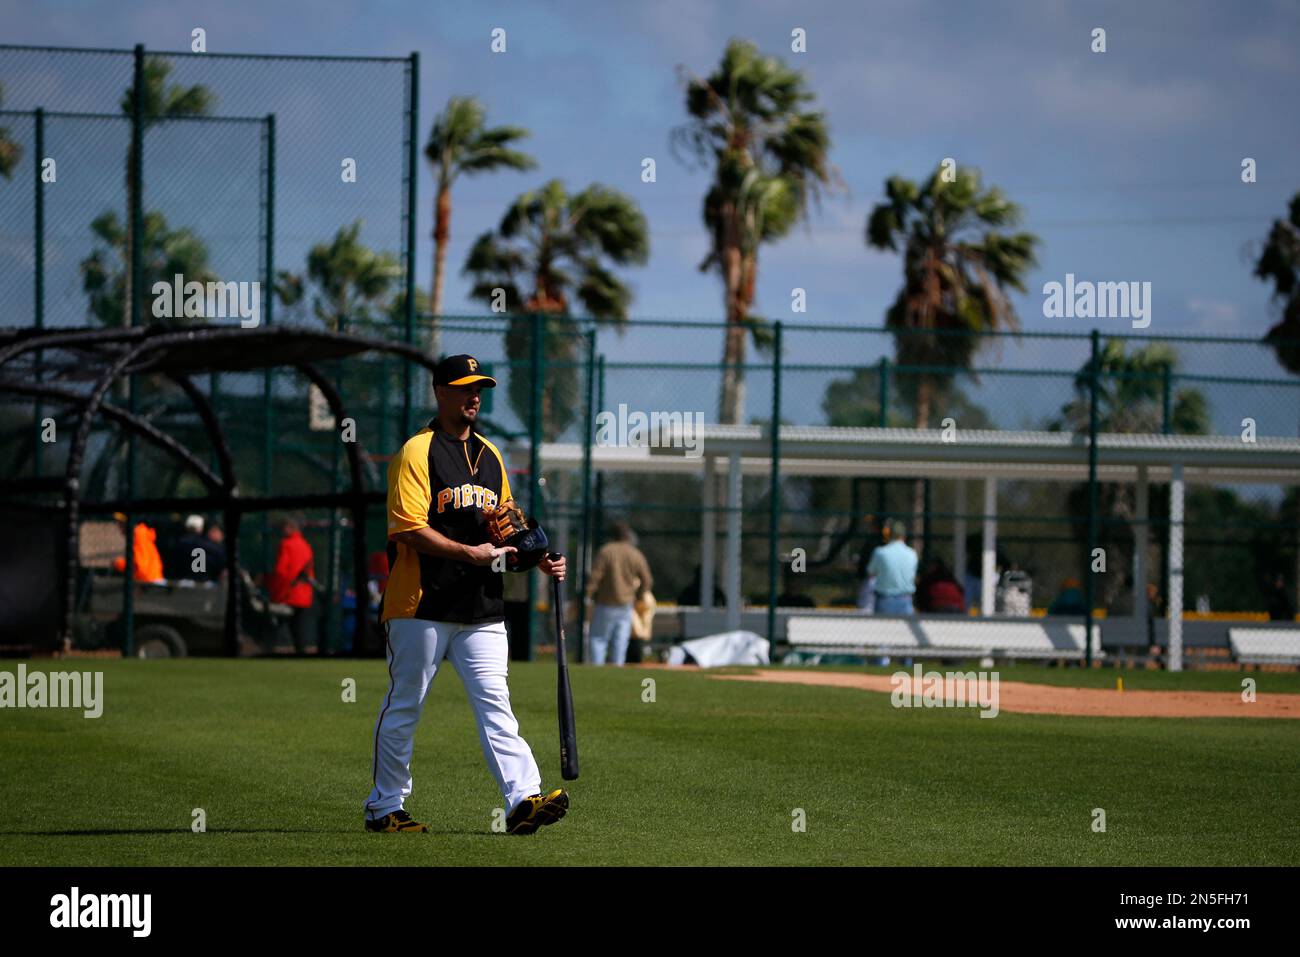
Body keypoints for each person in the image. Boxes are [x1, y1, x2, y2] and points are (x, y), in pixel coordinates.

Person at [364, 353, 569, 835]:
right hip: (421, 604)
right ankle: (384, 808)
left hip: (482, 606)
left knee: (496, 703)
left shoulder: (491, 455)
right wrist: (467, 552)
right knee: (405, 705)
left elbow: (508, 526)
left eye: (479, 388)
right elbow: (408, 528)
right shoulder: (417, 451)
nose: (474, 396)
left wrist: (538, 556)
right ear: (440, 392)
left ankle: (523, 800)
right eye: (464, 388)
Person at [585, 521, 653, 666]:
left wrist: (588, 595)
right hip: (626, 604)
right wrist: (639, 596)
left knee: (599, 639)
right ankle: (617, 668)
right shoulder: (635, 553)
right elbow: (647, 579)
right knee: (620, 641)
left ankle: (597, 669)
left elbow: (595, 576)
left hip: (606, 602)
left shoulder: (606, 551)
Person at [267, 515, 317, 654]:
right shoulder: (306, 545)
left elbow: (281, 571)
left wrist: (274, 591)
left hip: (288, 593)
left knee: (278, 625)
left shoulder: (286, 544)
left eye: (286, 526)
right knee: (299, 630)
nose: (283, 529)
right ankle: (301, 653)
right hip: (304, 593)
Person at [865, 520, 918, 615]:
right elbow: (913, 576)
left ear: (888, 535)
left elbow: (870, 572)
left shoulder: (880, 552)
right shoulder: (912, 554)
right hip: (906, 601)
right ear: (904, 536)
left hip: (884, 600)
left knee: (883, 629)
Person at [110, 512, 165, 583]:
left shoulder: (138, 536)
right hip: (149, 581)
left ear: (128, 524)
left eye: (121, 523)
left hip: (149, 583)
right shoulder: (139, 535)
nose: (118, 526)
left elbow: (141, 567)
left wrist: (119, 564)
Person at [166, 514, 210, 582]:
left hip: (181, 581)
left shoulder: (178, 543)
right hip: (202, 583)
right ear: (201, 528)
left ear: (186, 527)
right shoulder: (207, 544)